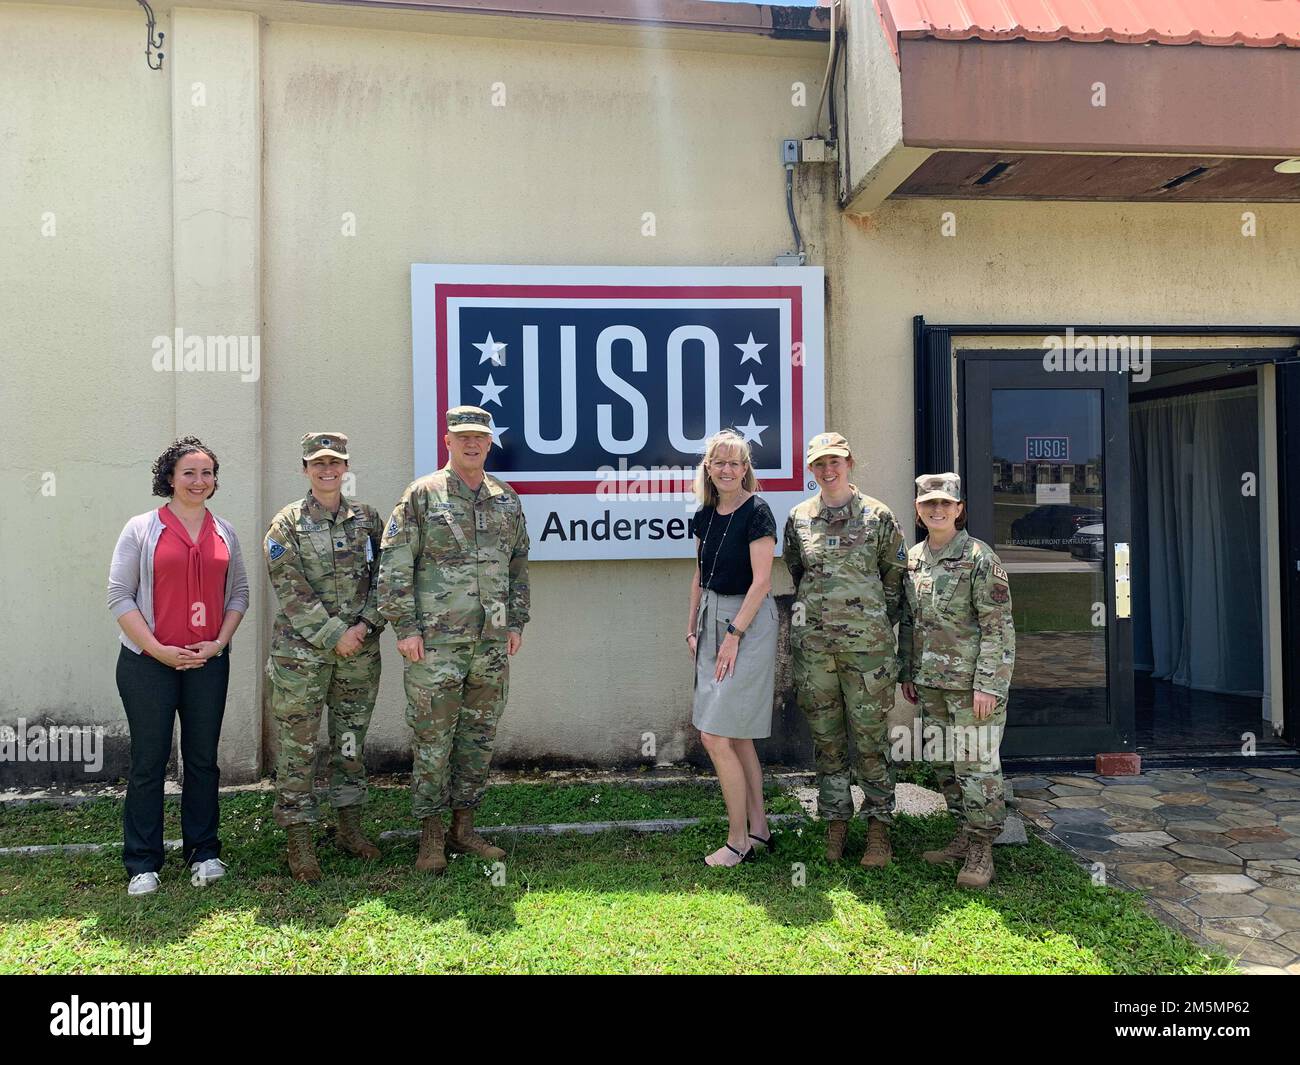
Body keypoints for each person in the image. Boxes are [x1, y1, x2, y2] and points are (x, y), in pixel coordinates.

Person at [377, 405, 529, 874]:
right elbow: (395, 563)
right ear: (447, 442)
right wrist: (405, 628)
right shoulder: (422, 495)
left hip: (490, 644)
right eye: (462, 437)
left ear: (488, 443)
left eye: (479, 438)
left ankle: (464, 829)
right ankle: (430, 836)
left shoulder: (505, 498)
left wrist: (516, 622)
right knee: (432, 739)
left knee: (478, 737)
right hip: (435, 645)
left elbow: (518, 563)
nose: (471, 444)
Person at [107, 436, 249, 896]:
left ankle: (203, 852)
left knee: (203, 761)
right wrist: (156, 648)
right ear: (169, 478)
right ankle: (143, 862)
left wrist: (219, 643)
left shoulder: (225, 531)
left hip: (207, 662)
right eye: (189, 472)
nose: (199, 481)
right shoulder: (142, 528)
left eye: (207, 472)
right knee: (149, 761)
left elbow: (239, 594)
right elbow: (119, 595)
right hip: (148, 664)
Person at [264, 433, 386, 882]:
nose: (327, 469)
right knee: (299, 749)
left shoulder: (369, 519)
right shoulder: (286, 525)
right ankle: (300, 841)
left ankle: (348, 829)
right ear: (305, 468)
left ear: (346, 466)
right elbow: (290, 589)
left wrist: (366, 627)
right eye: (318, 463)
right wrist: (337, 634)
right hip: (302, 658)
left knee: (350, 744)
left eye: (335, 462)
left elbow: (386, 580)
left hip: (359, 653)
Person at [782, 432, 906, 867]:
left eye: (834, 461)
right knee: (827, 742)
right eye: (819, 464)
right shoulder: (799, 517)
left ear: (850, 462)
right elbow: (797, 571)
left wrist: (869, 624)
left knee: (871, 742)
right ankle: (835, 824)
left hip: (866, 654)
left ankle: (878, 829)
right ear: (811, 469)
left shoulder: (878, 516)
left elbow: (895, 581)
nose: (827, 470)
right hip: (815, 652)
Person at [898, 472, 1015, 889]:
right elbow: (912, 623)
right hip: (930, 684)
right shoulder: (913, 558)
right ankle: (964, 835)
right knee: (945, 765)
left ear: (959, 509)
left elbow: (998, 627)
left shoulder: (980, 558)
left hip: (971, 687)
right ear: (918, 510)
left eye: (945, 503)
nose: (937, 509)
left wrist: (988, 684)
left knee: (977, 766)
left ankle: (984, 847)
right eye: (929, 503)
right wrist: (907, 671)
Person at [687, 429, 779, 867]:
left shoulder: (758, 512)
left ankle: (738, 840)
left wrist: (732, 636)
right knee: (737, 737)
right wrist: (692, 628)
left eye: (735, 463)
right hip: (711, 618)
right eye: (719, 462)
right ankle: (760, 829)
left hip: (748, 623)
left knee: (715, 734)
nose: (727, 469)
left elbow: (762, 583)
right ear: (709, 467)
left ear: (746, 469)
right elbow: (699, 575)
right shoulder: (705, 514)